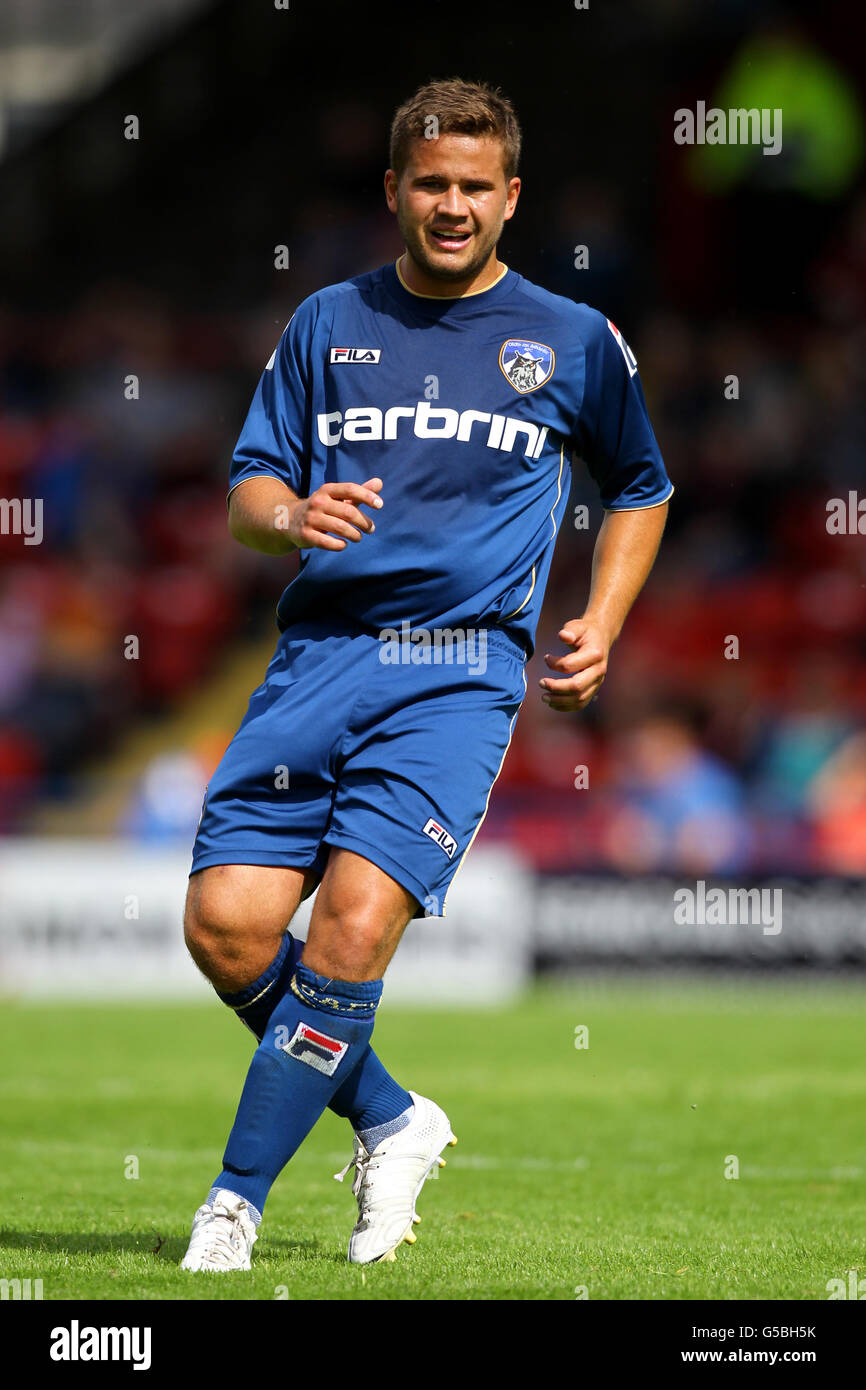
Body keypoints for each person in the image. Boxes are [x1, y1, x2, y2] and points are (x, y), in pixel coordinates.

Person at [180, 77, 672, 1270]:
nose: (451, 206)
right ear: (394, 190)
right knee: (227, 928)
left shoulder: (571, 338)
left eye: (474, 187)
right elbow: (247, 496)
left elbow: (640, 488)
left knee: (351, 925)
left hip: (458, 671)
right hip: (317, 658)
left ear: (510, 199)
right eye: (430, 184)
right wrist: (292, 513)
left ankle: (230, 1208)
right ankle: (393, 1116)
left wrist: (598, 620)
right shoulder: (324, 324)